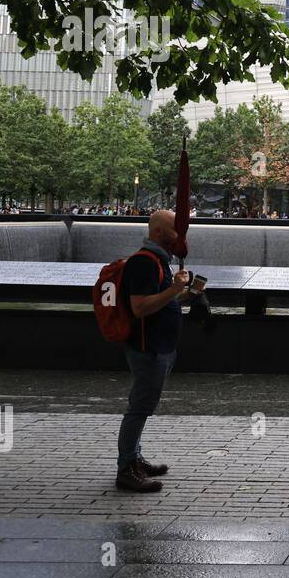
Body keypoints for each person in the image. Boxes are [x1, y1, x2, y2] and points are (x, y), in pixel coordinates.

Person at [116, 210, 201, 492]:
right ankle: (126, 469)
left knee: (143, 406)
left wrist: (186, 294)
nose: (182, 236)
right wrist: (174, 288)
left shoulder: (160, 262)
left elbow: (162, 300)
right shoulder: (143, 262)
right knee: (139, 408)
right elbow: (140, 307)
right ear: (160, 233)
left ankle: (134, 458)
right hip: (148, 348)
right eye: (176, 230)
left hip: (161, 347)